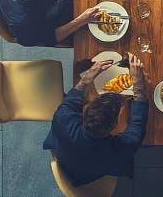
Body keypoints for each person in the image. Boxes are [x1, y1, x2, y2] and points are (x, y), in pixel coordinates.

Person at [43, 53, 149, 186]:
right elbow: (138, 124)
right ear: (113, 127)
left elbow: (69, 103)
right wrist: (138, 83)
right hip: (87, 177)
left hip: (69, 159)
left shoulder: (62, 120)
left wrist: (87, 77)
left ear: (86, 111)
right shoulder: (121, 150)